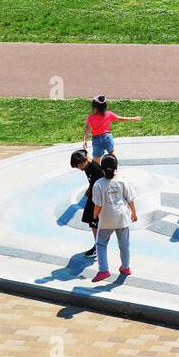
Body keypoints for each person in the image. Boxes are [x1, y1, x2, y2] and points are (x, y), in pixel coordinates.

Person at [90, 153, 137, 282]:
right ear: (116, 167)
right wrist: (134, 213)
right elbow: (130, 199)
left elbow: (98, 205)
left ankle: (104, 270)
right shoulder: (122, 180)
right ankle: (125, 267)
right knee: (124, 245)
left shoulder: (98, 184)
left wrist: (94, 215)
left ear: (102, 168)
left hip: (106, 219)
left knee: (101, 244)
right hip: (122, 217)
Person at [82, 95, 142, 164]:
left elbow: (87, 128)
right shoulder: (108, 114)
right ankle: (114, 169)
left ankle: (97, 172)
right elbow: (120, 119)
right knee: (112, 154)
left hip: (97, 140)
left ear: (94, 107)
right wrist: (134, 118)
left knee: (96, 158)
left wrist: (84, 140)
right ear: (105, 106)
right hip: (107, 137)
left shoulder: (91, 117)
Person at [70, 149, 104, 258]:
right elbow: (92, 182)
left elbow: (102, 186)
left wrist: (99, 206)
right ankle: (98, 245)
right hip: (93, 197)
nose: (79, 168)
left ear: (84, 161)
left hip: (98, 199)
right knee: (91, 222)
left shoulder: (96, 169)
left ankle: (98, 248)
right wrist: (89, 190)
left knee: (94, 222)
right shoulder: (87, 167)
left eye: (79, 166)